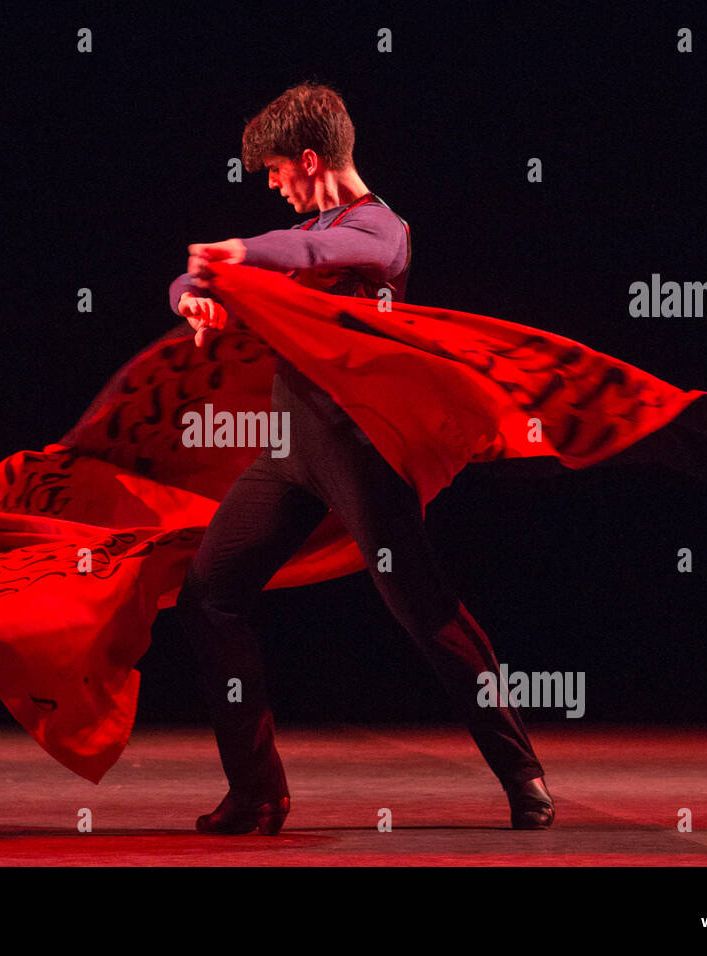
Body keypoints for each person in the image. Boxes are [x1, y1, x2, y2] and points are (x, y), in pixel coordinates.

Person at [167, 83, 554, 835]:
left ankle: (523, 773)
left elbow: (313, 250)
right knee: (209, 593)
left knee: (425, 612)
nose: (274, 189)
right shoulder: (298, 235)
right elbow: (202, 273)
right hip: (289, 454)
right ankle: (258, 793)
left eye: (277, 172)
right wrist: (195, 296)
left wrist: (242, 255)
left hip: (360, 453)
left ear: (310, 160)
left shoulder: (381, 232)